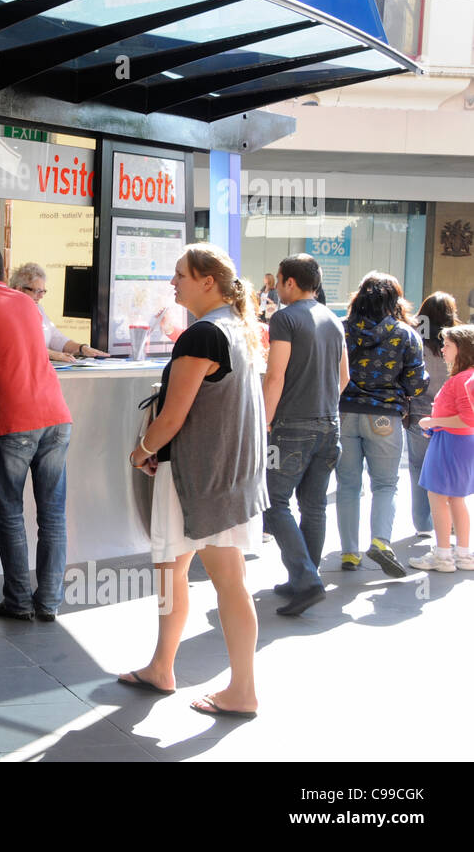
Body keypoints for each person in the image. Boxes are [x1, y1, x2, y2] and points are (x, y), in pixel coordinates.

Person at [120, 243, 267, 718]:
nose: (173, 282)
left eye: (180, 274)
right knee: (175, 568)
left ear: (208, 281)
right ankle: (163, 665)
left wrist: (141, 451)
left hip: (199, 479)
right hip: (220, 474)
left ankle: (242, 689)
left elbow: (172, 417)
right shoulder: (236, 329)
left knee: (223, 578)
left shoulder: (202, 335)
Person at [0, 243, 72, 621]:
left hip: (13, 421)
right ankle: (49, 600)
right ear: (5, 273)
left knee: (8, 512)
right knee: (52, 515)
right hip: (56, 417)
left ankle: (18, 600)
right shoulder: (26, 303)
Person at [261, 254, 349, 616]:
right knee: (313, 505)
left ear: (289, 282)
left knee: (272, 502)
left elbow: (275, 376)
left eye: (279, 282)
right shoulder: (334, 319)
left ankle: (307, 579)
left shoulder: (284, 318)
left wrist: (264, 422)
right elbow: (344, 378)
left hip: (290, 428)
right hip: (330, 425)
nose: (278, 288)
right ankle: (305, 579)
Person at [336, 272, 428, 577]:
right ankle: (380, 541)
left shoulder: (342, 329)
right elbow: (416, 384)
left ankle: (350, 552)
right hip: (385, 417)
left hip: (345, 413)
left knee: (348, 485)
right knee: (385, 484)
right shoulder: (404, 334)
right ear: (395, 300)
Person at [409, 325, 474, 572]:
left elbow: (469, 418)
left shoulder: (461, 379)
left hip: (451, 442)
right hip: (459, 441)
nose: (443, 349)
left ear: (462, 349)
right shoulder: (467, 376)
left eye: (447, 345)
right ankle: (463, 555)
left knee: (437, 497)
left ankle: (443, 555)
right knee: (456, 499)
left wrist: (433, 422)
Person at [407, 292, 461, 539]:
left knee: (418, 467)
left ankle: (423, 523)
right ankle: (449, 521)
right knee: (449, 468)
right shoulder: (458, 341)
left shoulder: (413, 336)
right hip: (452, 416)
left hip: (419, 411)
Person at [10, 262, 108, 362]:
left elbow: (55, 337)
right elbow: (21, 345)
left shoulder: (38, 308)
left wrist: (82, 348)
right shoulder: (9, 312)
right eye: (37, 291)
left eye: (43, 291)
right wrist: (52, 354)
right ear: (19, 289)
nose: (41, 296)